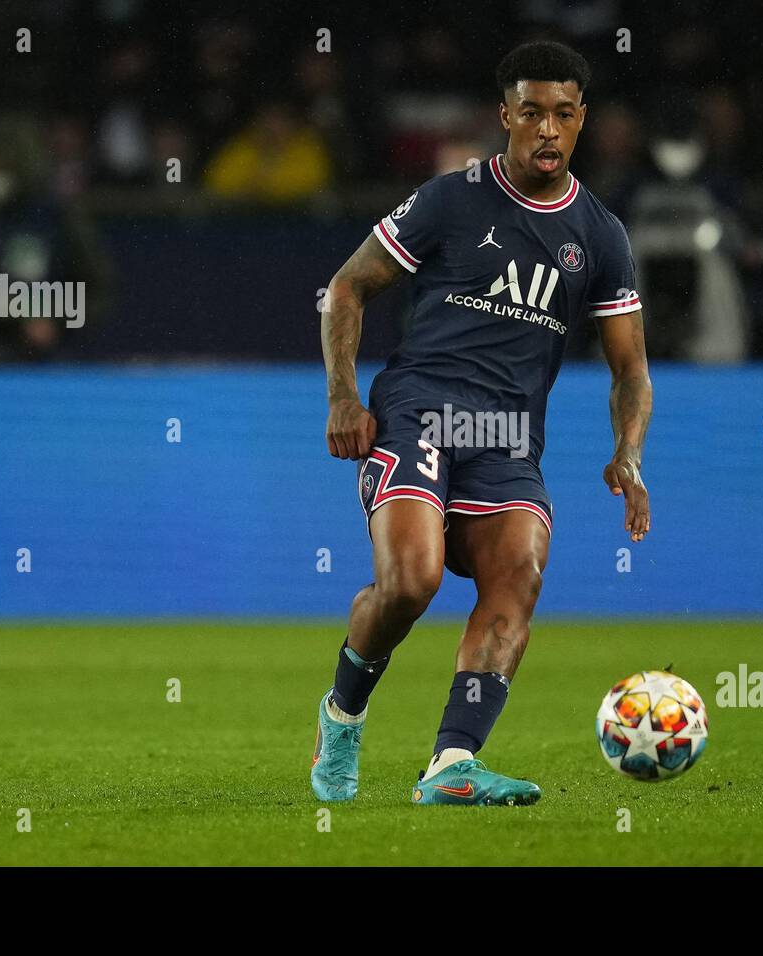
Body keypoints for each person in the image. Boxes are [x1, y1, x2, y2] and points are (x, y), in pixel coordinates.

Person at [315, 41, 652, 806]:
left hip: (507, 439)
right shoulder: (449, 200)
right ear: (505, 115)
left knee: (519, 573)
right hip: (418, 413)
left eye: (563, 114)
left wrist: (627, 455)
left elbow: (630, 368)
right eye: (531, 111)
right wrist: (343, 394)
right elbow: (347, 286)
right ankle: (342, 714)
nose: (547, 130)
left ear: (580, 122)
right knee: (410, 583)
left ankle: (452, 763)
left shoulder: (600, 236)